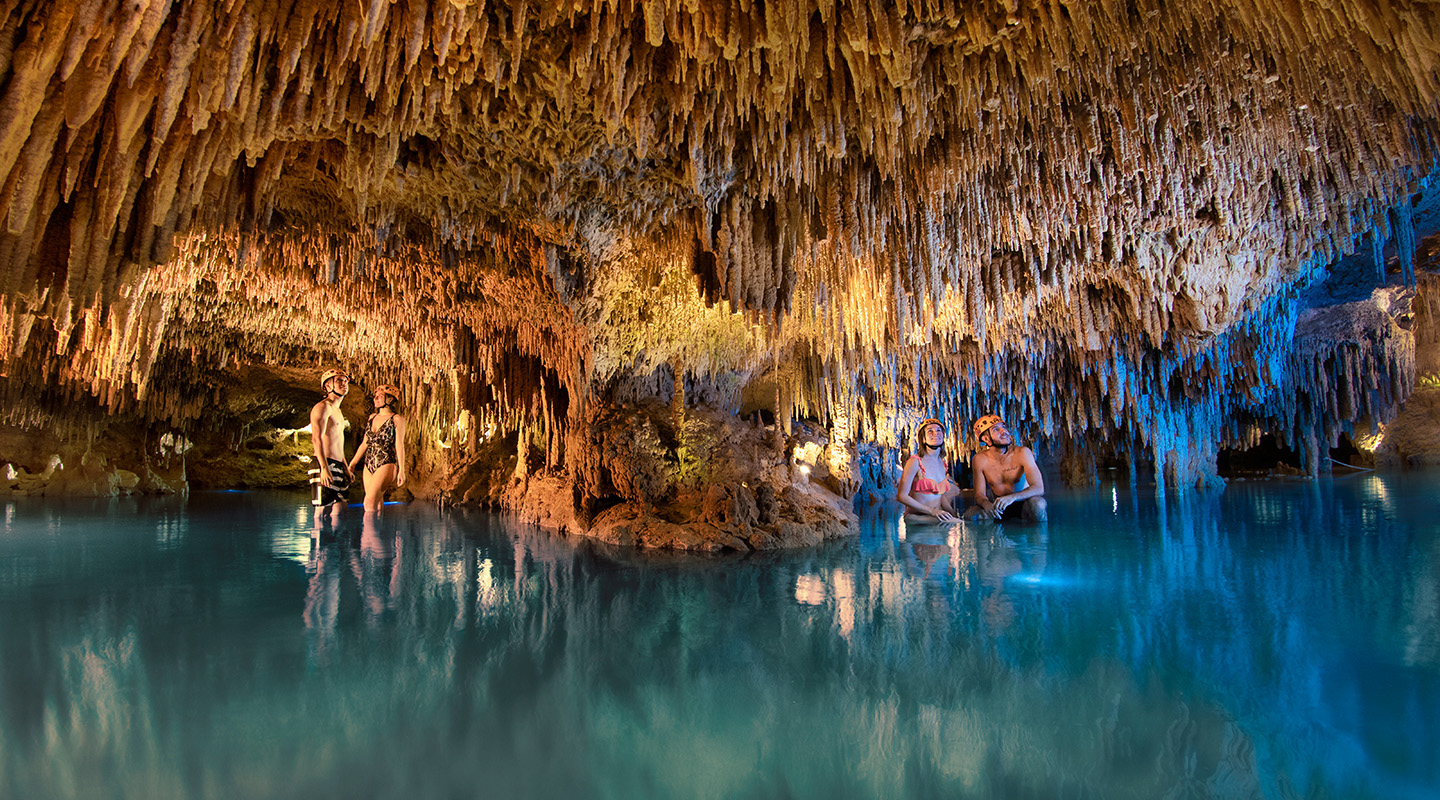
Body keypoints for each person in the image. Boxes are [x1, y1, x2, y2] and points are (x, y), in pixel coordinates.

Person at [965, 414, 1047, 521]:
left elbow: (1039, 488)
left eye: (1004, 427)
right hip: (999, 507)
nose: (1004, 432)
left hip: (1024, 503)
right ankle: (992, 536)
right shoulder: (980, 460)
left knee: (1039, 504)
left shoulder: (1022, 453)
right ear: (986, 438)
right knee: (970, 515)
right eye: (996, 430)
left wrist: (1012, 497)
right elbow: (979, 495)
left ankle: (1040, 535)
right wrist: (987, 504)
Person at [348, 383, 407, 512]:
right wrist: (353, 463)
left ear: (390, 399)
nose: (375, 399)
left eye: (380, 396)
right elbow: (365, 443)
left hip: (386, 462)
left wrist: (402, 470)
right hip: (369, 463)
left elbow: (399, 445)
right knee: (377, 503)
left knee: (368, 503)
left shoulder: (396, 419)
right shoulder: (372, 418)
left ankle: (367, 532)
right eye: (375, 396)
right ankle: (379, 530)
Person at [896, 417, 960, 524]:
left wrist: (951, 512)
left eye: (938, 430)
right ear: (923, 439)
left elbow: (940, 494)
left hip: (935, 515)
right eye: (930, 431)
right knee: (959, 524)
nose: (935, 433)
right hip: (917, 518)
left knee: (961, 521)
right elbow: (901, 496)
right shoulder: (915, 462)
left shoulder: (942, 462)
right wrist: (931, 511)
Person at [309, 369, 352, 511]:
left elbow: (338, 443)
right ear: (328, 386)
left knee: (340, 510)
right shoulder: (323, 407)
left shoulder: (338, 411)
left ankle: (334, 534)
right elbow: (316, 438)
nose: (344, 384)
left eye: (345, 381)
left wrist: (345, 468)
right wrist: (324, 468)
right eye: (339, 380)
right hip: (324, 463)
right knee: (322, 510)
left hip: (338, 465)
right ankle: (318, 533)